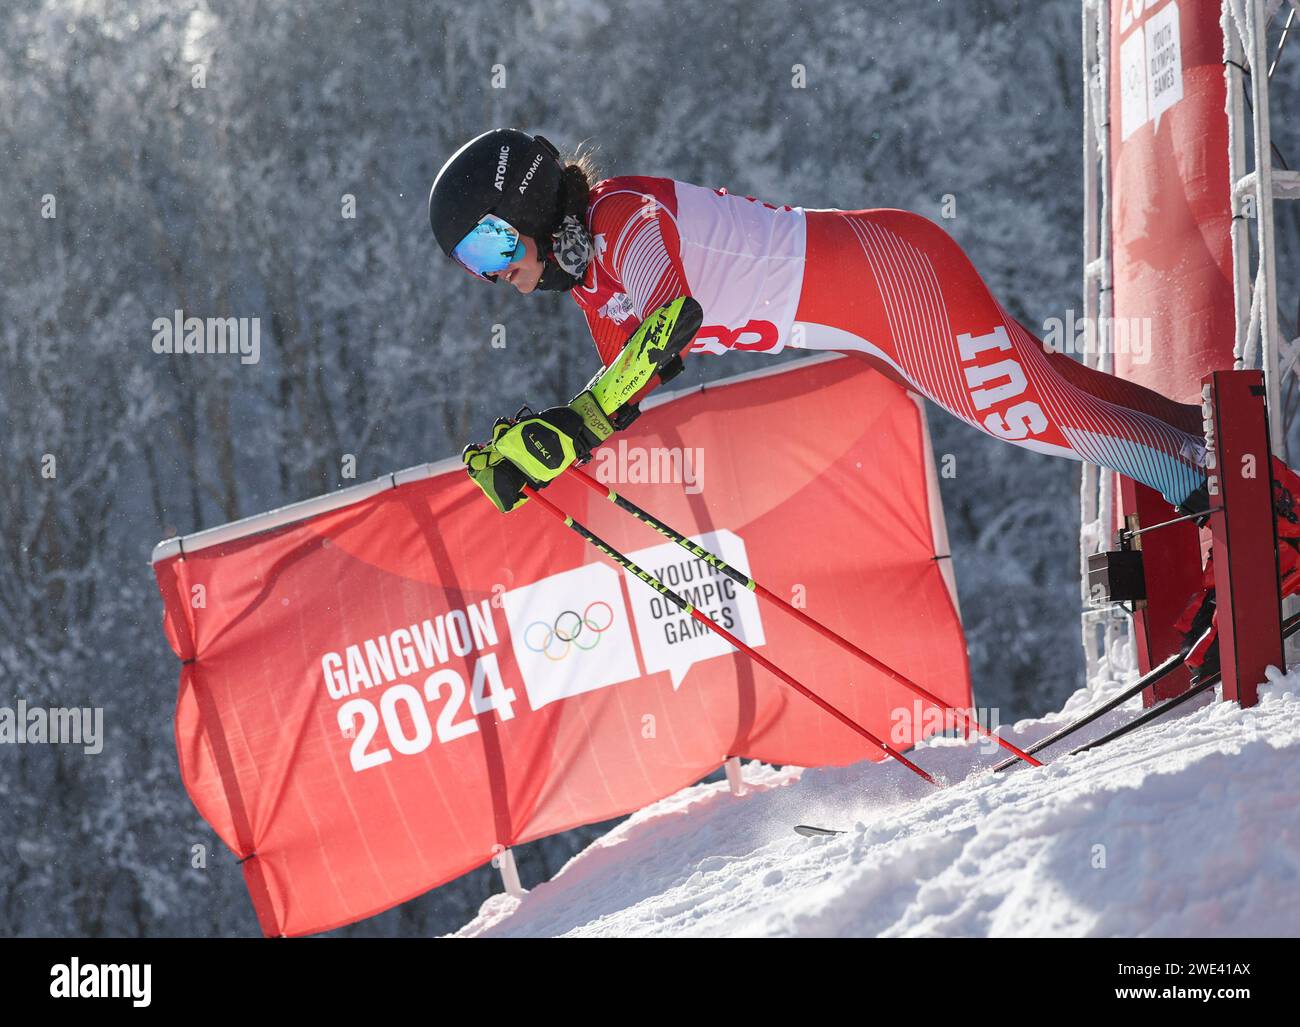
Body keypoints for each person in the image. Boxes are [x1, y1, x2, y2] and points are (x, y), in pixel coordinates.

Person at [429, 127, 1300, 674]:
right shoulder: (594, 284)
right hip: (878, 297)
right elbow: (625, 392)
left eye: (491, 241)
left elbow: (670, 326)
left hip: (892, 280)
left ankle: (1266, 527)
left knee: (1038, 418)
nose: (494, 271)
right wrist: (540, 450)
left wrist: (574, 422)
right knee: (1055, 398)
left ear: (532, 202)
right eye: (471, 263)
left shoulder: (623, 218)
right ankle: (1244, 483)